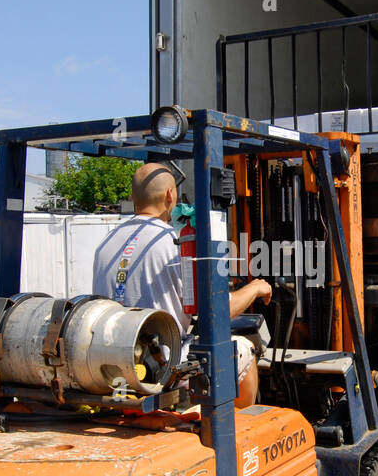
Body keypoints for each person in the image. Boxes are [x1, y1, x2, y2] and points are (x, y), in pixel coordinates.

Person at [92, 162, 272, 406]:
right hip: (163, 367)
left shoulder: (105, 244)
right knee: (243, 348)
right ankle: (240, 434)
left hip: (114, 364)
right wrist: (256, 288)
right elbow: (219, 311)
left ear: (133, 196)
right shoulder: (176, 244)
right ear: (169, 195)